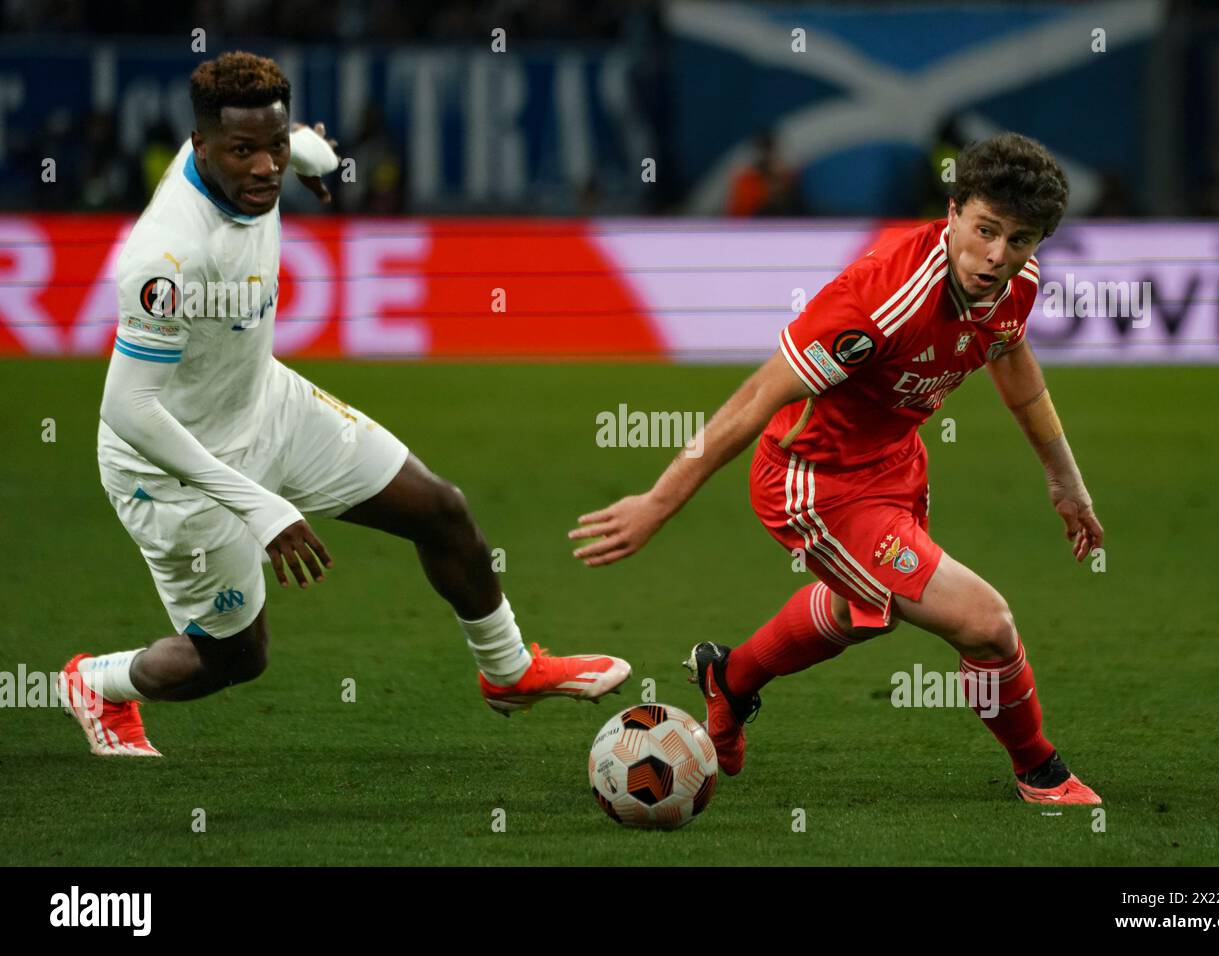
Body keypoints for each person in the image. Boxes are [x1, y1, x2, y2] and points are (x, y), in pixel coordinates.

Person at [61, 51, 629, 757]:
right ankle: (100, 682)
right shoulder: (166, 257)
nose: (266, 167)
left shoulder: (265, 155)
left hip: (268, 405)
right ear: (199, 146)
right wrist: (260, 507)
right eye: (244, 151)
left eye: (274, 145)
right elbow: (130, 410)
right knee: (236, 658)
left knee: (441, 511)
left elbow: (302, 145)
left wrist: (316, 159)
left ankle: (508, 671)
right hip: (174, 471)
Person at [570, 133, 1102, 804]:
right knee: (985, 624)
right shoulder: (881, 302)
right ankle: (1041, 773)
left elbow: (1015, 367)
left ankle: (729, 680)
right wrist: (659, 502)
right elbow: (755, 400)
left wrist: (1065, 477)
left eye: (1019, 240)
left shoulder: (1015, 283)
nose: (996, 256)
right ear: (953, 211)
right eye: (985, 230)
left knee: (860, 612)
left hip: (895, 462)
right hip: (814, 482)